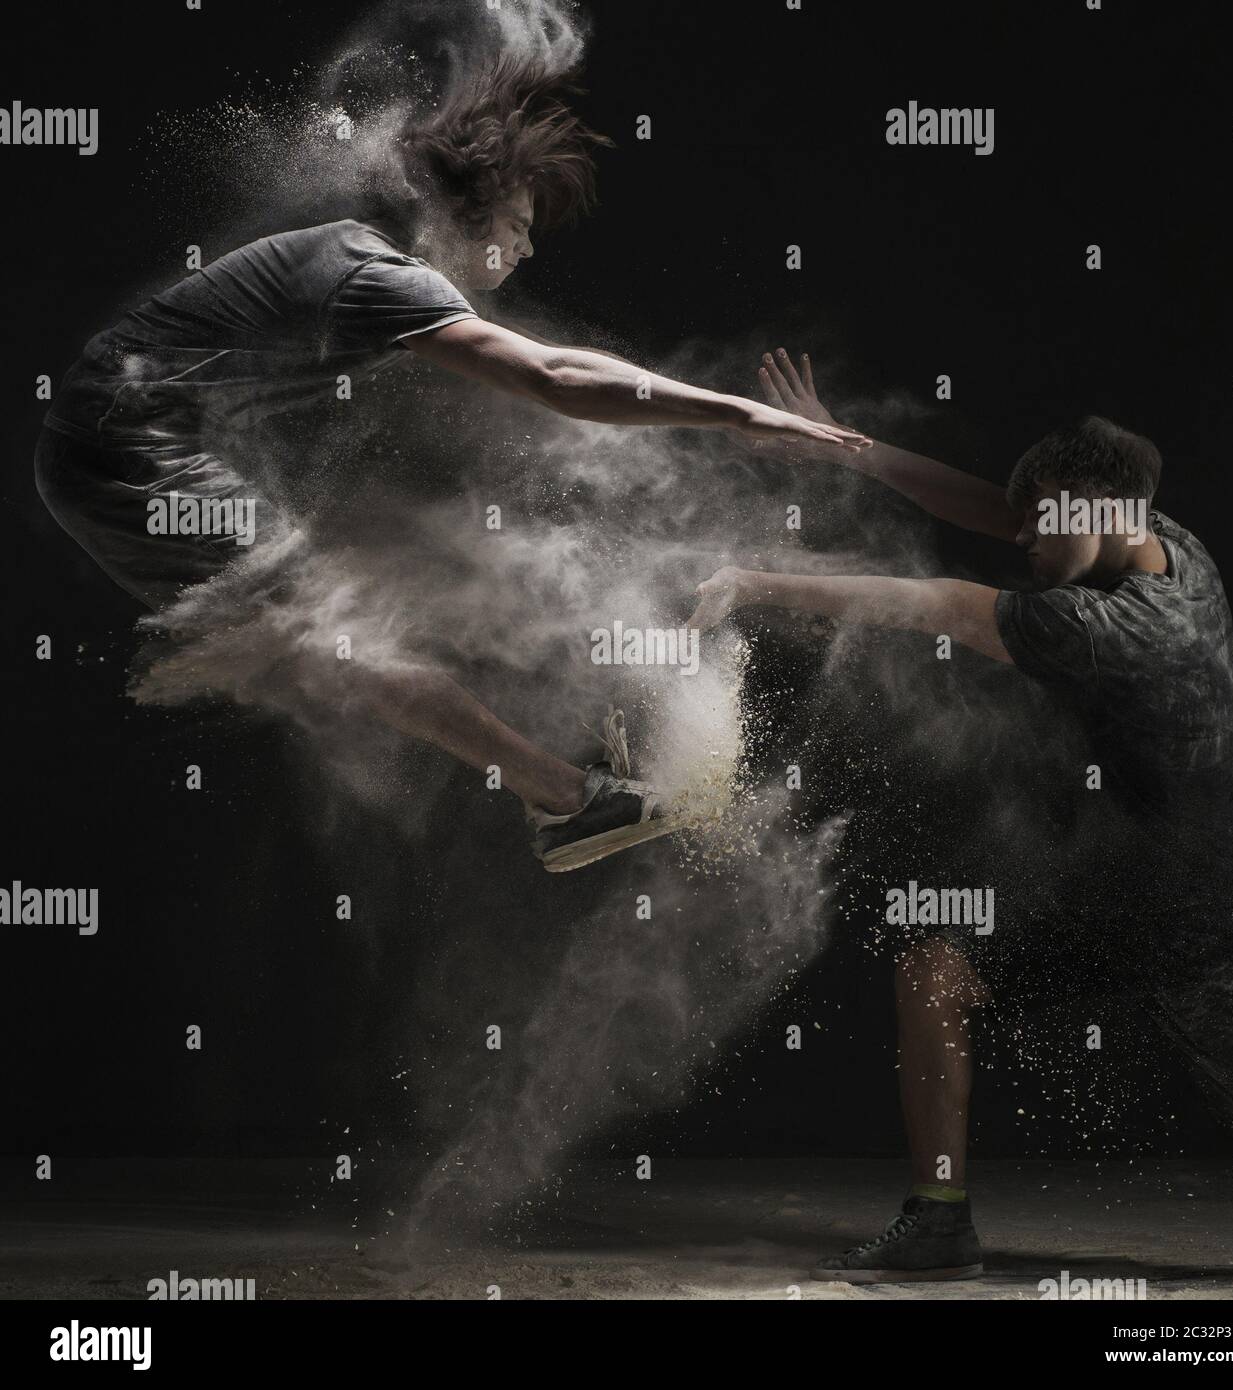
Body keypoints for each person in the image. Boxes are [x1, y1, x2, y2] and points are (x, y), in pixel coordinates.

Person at [33, 60, 869, 874]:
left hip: (107, 440)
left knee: (372, 596)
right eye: (519, 229)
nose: (527, 252)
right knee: (340, 624)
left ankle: (271, 650)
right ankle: (571, 797)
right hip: (125, 440)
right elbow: (557, 377)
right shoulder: (376, 274)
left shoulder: (357, 263)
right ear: (471, 216)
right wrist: (736, 411)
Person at [691, 348, 1233, 1281]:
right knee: (934, 961)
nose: (1025, 544)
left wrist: (756, 585)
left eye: (1042, 527)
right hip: (1108, 886)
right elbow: (982, 503)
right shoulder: (1161, 537)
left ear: (1095, 511)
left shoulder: (1113, 629)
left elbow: (927, 603)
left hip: (1187, 916)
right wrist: (847, 448)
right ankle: (939, 1224)